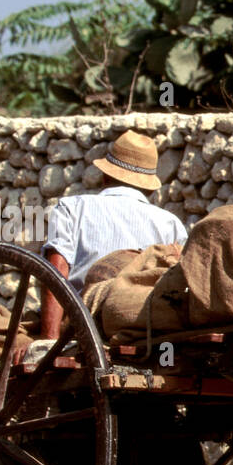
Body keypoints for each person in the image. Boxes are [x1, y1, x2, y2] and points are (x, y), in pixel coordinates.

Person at [38, 130, 188, 338]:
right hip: (142, 328)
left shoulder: (72, 208)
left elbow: (56, 270)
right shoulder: (170, 224)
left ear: (105, 176)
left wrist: (49, 342)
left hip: (80, 328)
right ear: (150, 189)